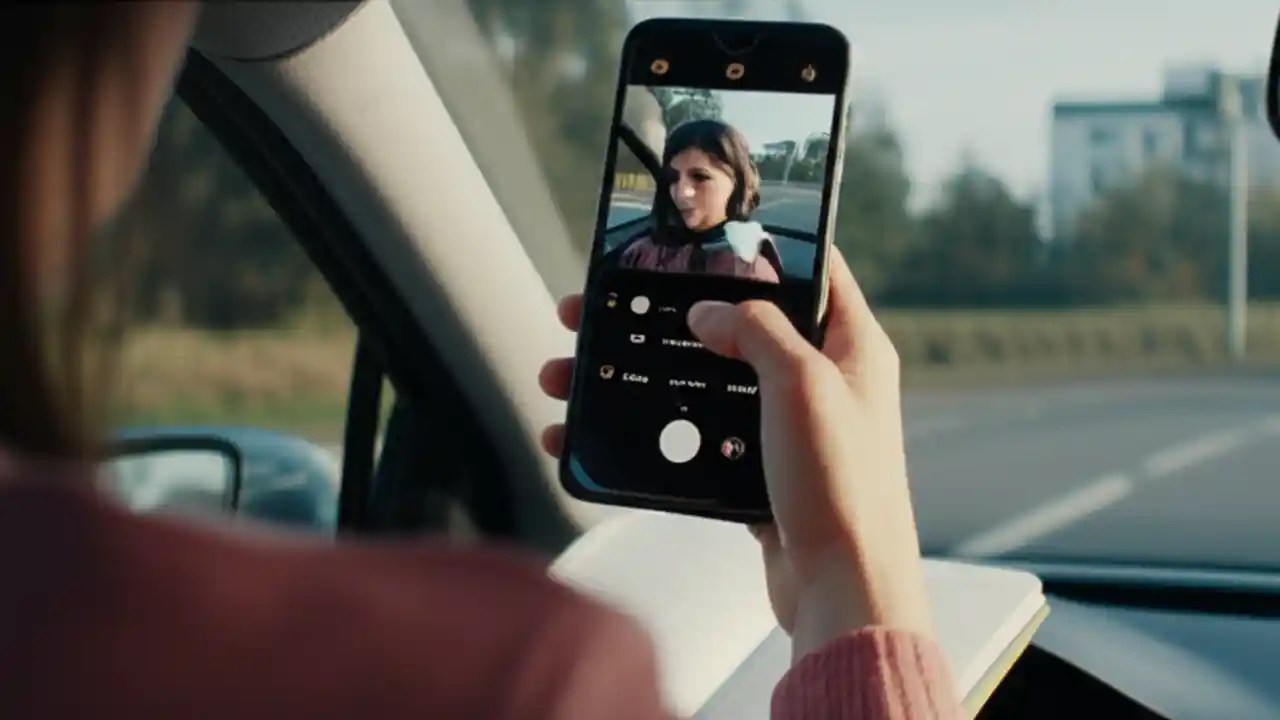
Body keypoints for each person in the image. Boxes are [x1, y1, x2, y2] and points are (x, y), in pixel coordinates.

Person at [0, 5, 959, 719]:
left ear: (740, 183)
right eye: (673, 172)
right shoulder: (517, 677)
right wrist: (850, 578)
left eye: (700, 175)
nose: (679, 185)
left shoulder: (746, 263)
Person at [613, 119, 784, 283]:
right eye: (673, 178)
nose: (681, 193)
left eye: (700, 177)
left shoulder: (752, 271)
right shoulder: (639, 253)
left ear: (736, 183)